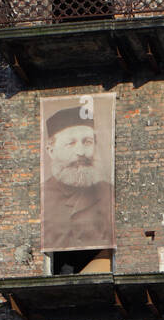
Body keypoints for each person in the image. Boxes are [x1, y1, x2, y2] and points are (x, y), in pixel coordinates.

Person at [41, 104, 114, 251]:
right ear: (51, 151)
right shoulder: (41, 196)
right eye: (71, 143)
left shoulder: (110, 194)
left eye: (87, 142)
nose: (81, 152)